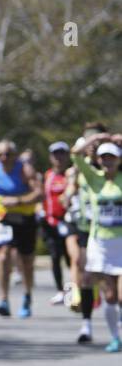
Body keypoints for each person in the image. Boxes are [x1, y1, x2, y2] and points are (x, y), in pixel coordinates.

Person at [71, 133, 122, 351]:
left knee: (121, 296)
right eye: (104, 157)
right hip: (101, 244)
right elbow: (76, 156)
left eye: (112, 157)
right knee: (109, 295)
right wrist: (98, 138)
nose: (107, 161)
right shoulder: (93, 179)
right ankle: (115, 338)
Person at [0, 140, 42, 318]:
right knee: (3, 256)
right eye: (0, 154)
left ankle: (27, 296)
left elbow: (39, 194)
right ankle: (3, 299)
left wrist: (18, 201)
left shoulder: (25, 170)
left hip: (25, 218)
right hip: (4, 219)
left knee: (26, 262)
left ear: (15, 155)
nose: (4, 158)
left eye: (8, 154)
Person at [41, 141, 73, 305]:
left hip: (69, 223)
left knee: (71, 258)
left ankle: (72, 291)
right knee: (55, 257)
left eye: (62, 153)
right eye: (55, 154)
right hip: (50, 223)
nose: (59, 157)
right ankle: (60, 291)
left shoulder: (72, 174)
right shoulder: (47, 175)